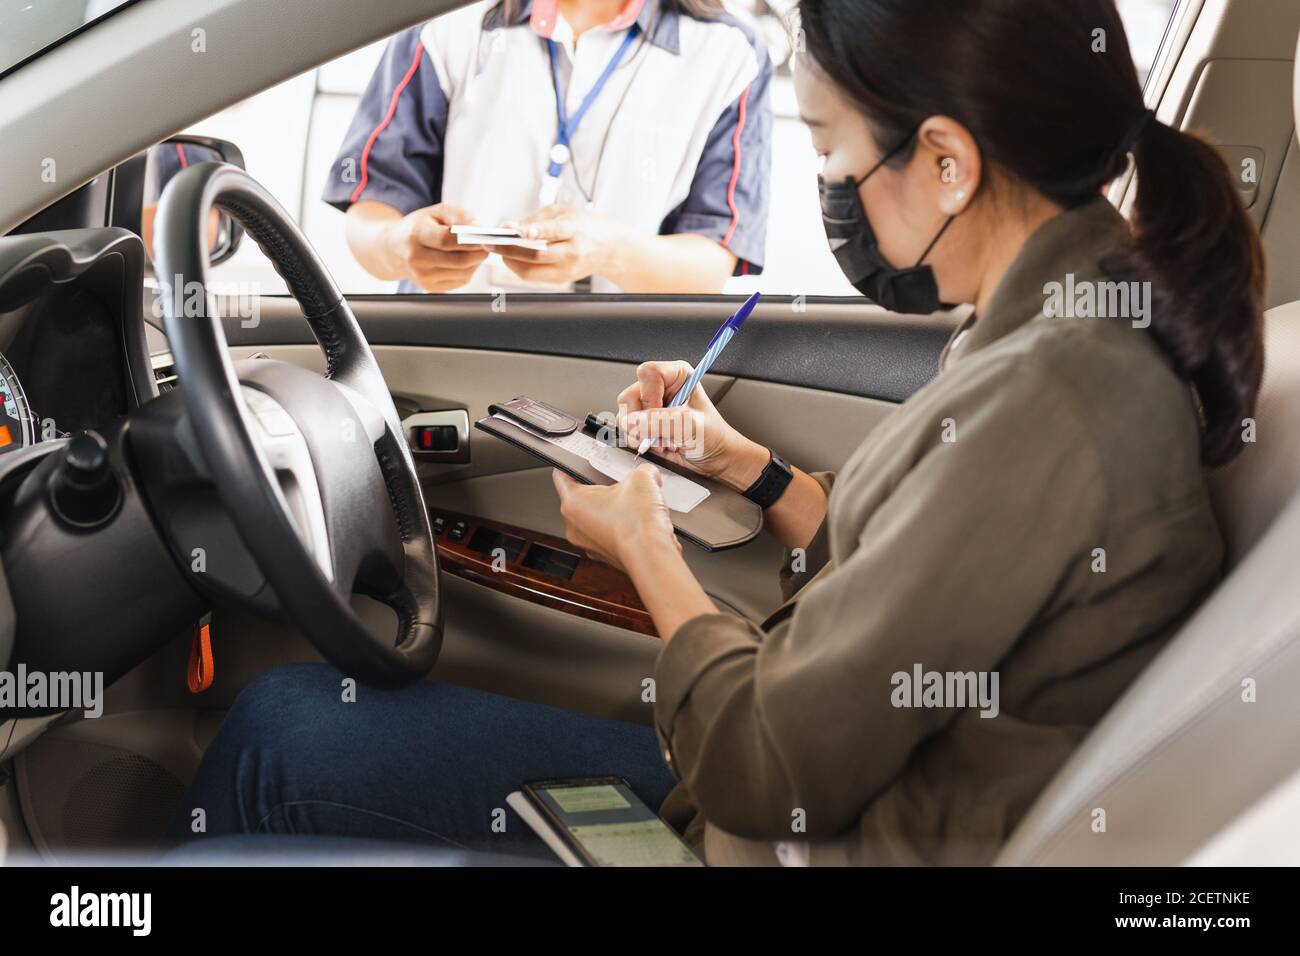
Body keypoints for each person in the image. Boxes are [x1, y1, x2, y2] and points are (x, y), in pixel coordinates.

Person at [172, 0, 1264, 864]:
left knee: (272, 760)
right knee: (282, 718)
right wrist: (748, 465)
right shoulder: (1031, 332)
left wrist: (646, 545)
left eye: (837, 153)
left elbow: (767, 769)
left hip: (759, 825)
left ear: (946, 159)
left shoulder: (1057, 395)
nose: (833, 187)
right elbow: (913, 571)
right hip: (762, 809)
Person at [322, 0, 772, 294]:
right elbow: (371, 210)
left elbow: (713, 259)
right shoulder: (444, 21)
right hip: (448, 350)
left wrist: (607, 250)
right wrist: (400, 245)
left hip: (622, 376)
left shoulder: (731, 53)